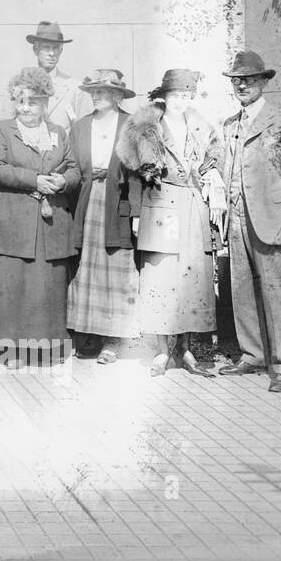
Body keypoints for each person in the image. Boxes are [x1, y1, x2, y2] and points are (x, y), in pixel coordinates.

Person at [117, 69, 224, 378]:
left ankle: (186, 350)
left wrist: (212, 173)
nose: (181, 101)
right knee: (160, 279)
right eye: (176, 95)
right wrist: (137, 214)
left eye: (186, 96)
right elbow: (133, 177)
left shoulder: (201, 127)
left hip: (193, 207)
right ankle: (162, 351)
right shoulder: (145, 127)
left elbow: (214, 158)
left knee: (192, 280)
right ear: (163, 96)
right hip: (160, 206)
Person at [0, 67, 82, 367]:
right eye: (20, 101)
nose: (25, 108)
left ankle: (46, 349)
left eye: (33, 102)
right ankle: (12, 351)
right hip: (11, 223)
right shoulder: (3, 129)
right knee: (12, 286)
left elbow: (74, 169)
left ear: (44, 103)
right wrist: (34, 180)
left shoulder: (58, 133)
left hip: (50, 225)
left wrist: (62, 182)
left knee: (47, 288)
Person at [216, 52, 281, 392]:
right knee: (241, 289)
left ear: (264, 82)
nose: (242, 86)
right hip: (237, 218)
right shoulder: (229, 125)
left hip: (272, 219)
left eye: (249, 80)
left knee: (277, 292)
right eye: (237, 81)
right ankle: (252, 354)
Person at [66, 70, 141, 365]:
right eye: (94, 92)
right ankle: (89, 337)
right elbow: (72, 167)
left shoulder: (130, 126)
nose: (96, 96)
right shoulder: (81, 127)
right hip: (86, 202)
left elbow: (136, 175)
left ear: (117, 96)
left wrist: (136, 212)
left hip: (116, 204)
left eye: (103, 92)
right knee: (86, 270)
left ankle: (113, 340)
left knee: (117, 270)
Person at [16, 23, 93, 131]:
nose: (52, 53)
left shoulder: (75, 88)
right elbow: (6, 128)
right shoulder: (19, 83)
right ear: (35, 49)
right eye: (46, 47)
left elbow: (84, 130)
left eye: (55, 48)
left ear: (61, 51)